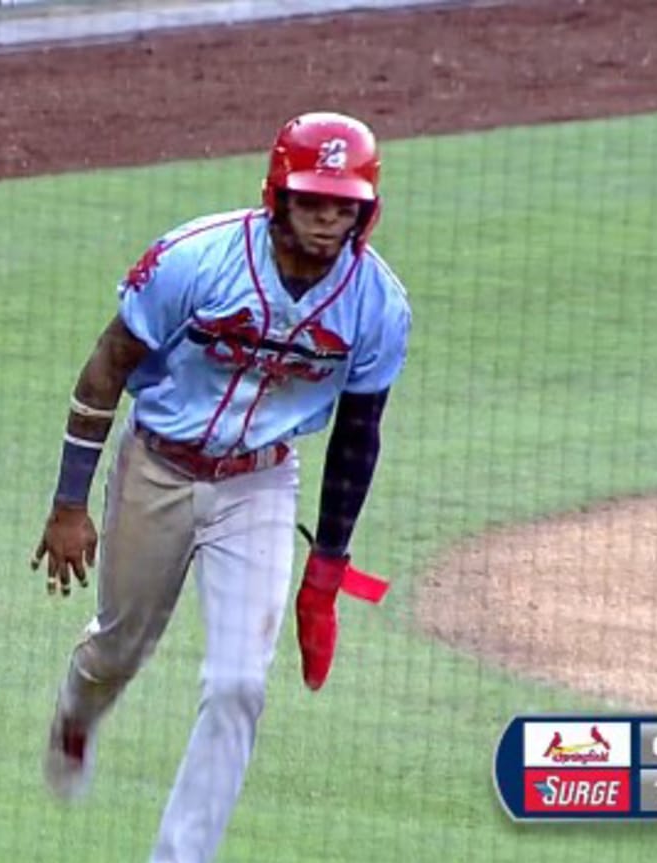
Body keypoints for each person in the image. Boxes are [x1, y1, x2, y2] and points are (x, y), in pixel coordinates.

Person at [30, 110, 412, 863]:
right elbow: (107, 364)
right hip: (157, 467)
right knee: (117, 649)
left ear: (366, 209)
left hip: (259, 489)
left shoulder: (378, 304)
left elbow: (358, 436)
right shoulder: (196, 259)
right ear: (278, 196)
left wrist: (326, 570)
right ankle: (77, 715)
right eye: (311, 201)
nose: (327, 219)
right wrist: (70, 502)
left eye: (343, 205)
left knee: (240, 683)